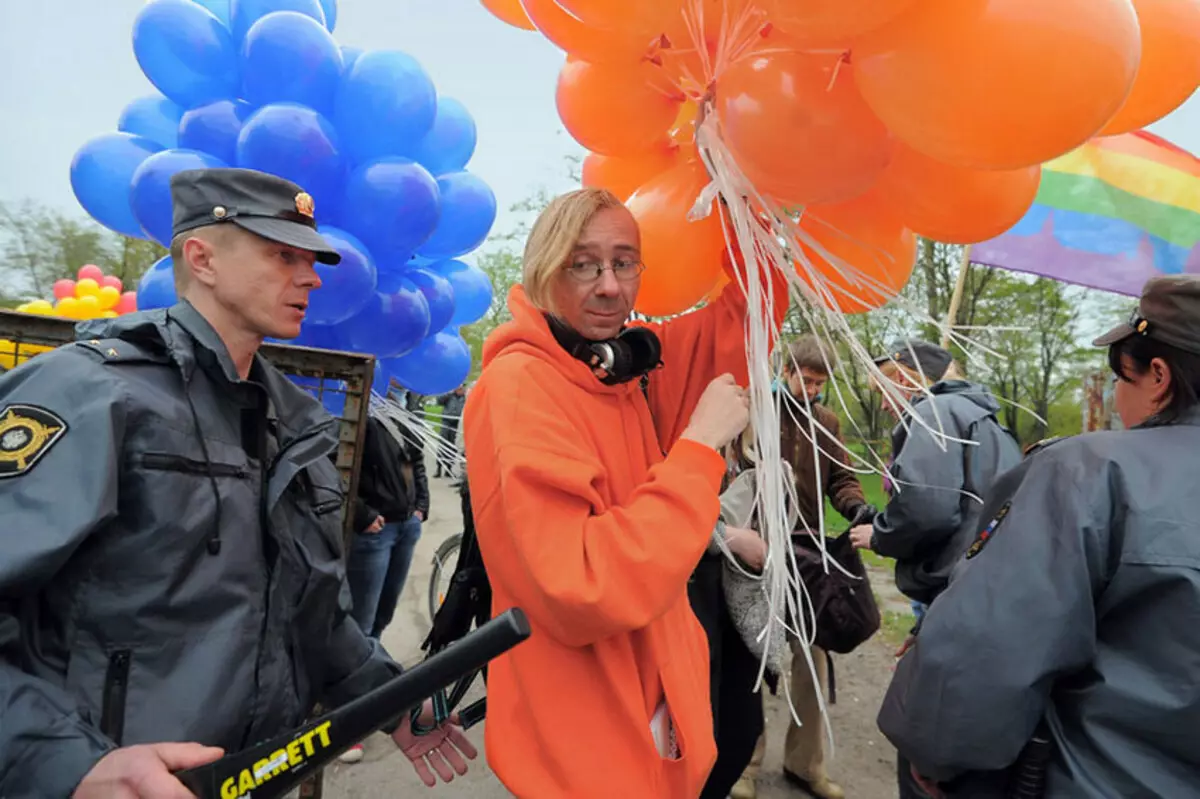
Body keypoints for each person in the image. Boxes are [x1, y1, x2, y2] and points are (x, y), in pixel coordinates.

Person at [0, 168, 473, 797]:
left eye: (311, 259)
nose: (310, 275)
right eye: (282, 254)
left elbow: (310, 609)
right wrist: (65, 764)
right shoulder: (90, 394)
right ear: (202, 258)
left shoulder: (293, 420)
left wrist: (391, 700)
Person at [463, 187, 760, 798]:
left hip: (651, 718)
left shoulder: (620, 369)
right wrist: (699, 449)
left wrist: (733, 185)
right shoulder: (523, 384)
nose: (609, 286)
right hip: (588, 748)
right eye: (584, 263)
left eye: (625, 263)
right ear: (545, 270)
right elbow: (582, 582)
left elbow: (745, 312)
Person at [878, 274, 1200, 798]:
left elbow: (984, 650)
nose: (1116, 396)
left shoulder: (1091, 470)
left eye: (1121, 376)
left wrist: (934, 757)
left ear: (1158, 376)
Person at [732, 337, 872, 799]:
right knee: (750, 658)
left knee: (811, 660)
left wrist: (854, 506)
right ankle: (744, 764)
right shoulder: (754, 413)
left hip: (807, 557)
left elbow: (843, 478)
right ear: (785, 369)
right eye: (803, 378)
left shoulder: (827, 422)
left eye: (818, 382)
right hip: (754, 552)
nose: (809, 388)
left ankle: (805, 764)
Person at [339, 412, 431, 764]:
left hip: (405, 526)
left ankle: (370, 700)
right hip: (374, 533)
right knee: (357, 626)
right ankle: (348, 723)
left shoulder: (402, 406)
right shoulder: (354, 402)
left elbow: (415, 459)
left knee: (381, 617)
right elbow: (332, 464)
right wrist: (362, 513)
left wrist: (421, 505)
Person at [435, 385, 466, 478]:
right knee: (443, 444)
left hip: (457, 423)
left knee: (453, 447)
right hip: (446, 422)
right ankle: (439, 468)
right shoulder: (449, 395)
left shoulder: (465, 397)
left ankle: (449, 469)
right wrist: (451, 392)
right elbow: (439, 401)